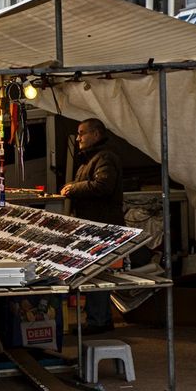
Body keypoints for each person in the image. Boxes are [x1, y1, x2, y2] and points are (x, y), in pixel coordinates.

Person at [60, 118, 123, 333]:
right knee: (94, 273)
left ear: (96, 134)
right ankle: (98, 319)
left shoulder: (105, 157)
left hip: (103, 227)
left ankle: (99, 321)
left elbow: (103, 185)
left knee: (97, 274)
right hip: (92, 226)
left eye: (82, 133)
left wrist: (73, 189)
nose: (78, 138)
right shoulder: (90, 159)